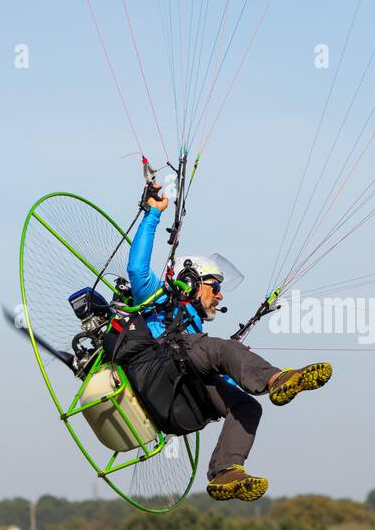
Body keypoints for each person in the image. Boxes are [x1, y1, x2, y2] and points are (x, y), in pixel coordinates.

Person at [126, 182, 331, 501]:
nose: (219, 295)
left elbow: (213, 361)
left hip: (184, 387)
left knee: (247, 405)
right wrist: (153, 213)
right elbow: (137, 270)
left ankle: (226, 472)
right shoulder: (159, 300)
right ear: (190, 281)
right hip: (162, 365)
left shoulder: (196, 325)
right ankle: (277, 380)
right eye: (213, 285)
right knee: (222, 348)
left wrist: (231, 367)